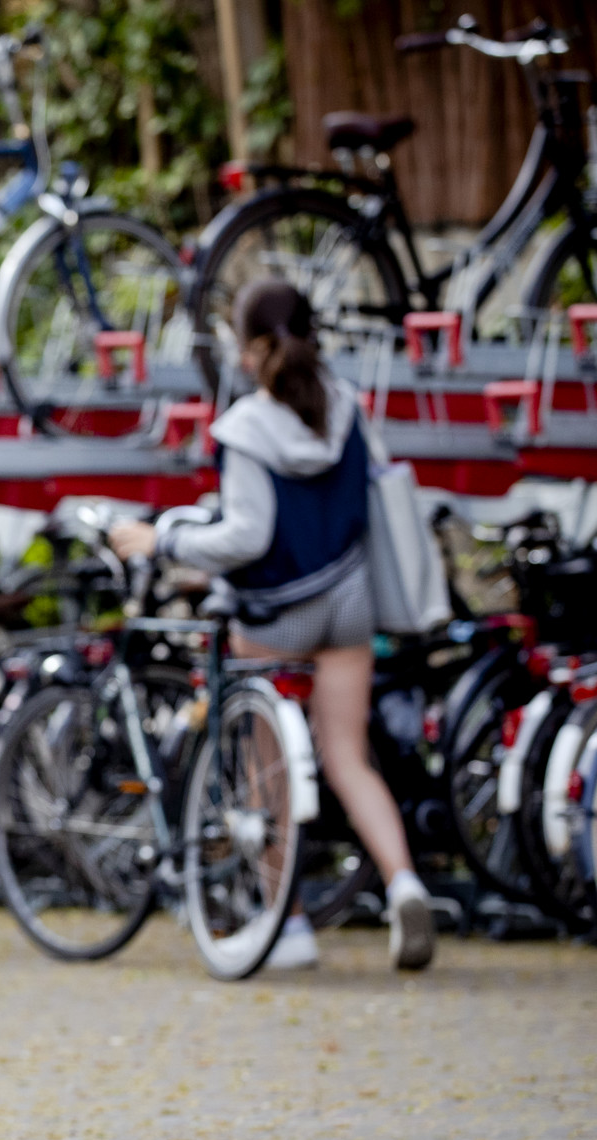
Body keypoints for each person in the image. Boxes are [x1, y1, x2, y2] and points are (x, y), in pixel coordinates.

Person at [108, 278, 435, 973]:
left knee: (269, 772)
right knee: (347, 758)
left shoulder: (245, 429)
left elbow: (247, 537)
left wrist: (164, 542)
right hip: (350, 602)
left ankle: (285, 925)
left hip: (275, 610)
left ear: (253, 348)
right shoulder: (346, 408)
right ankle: (405, 881)